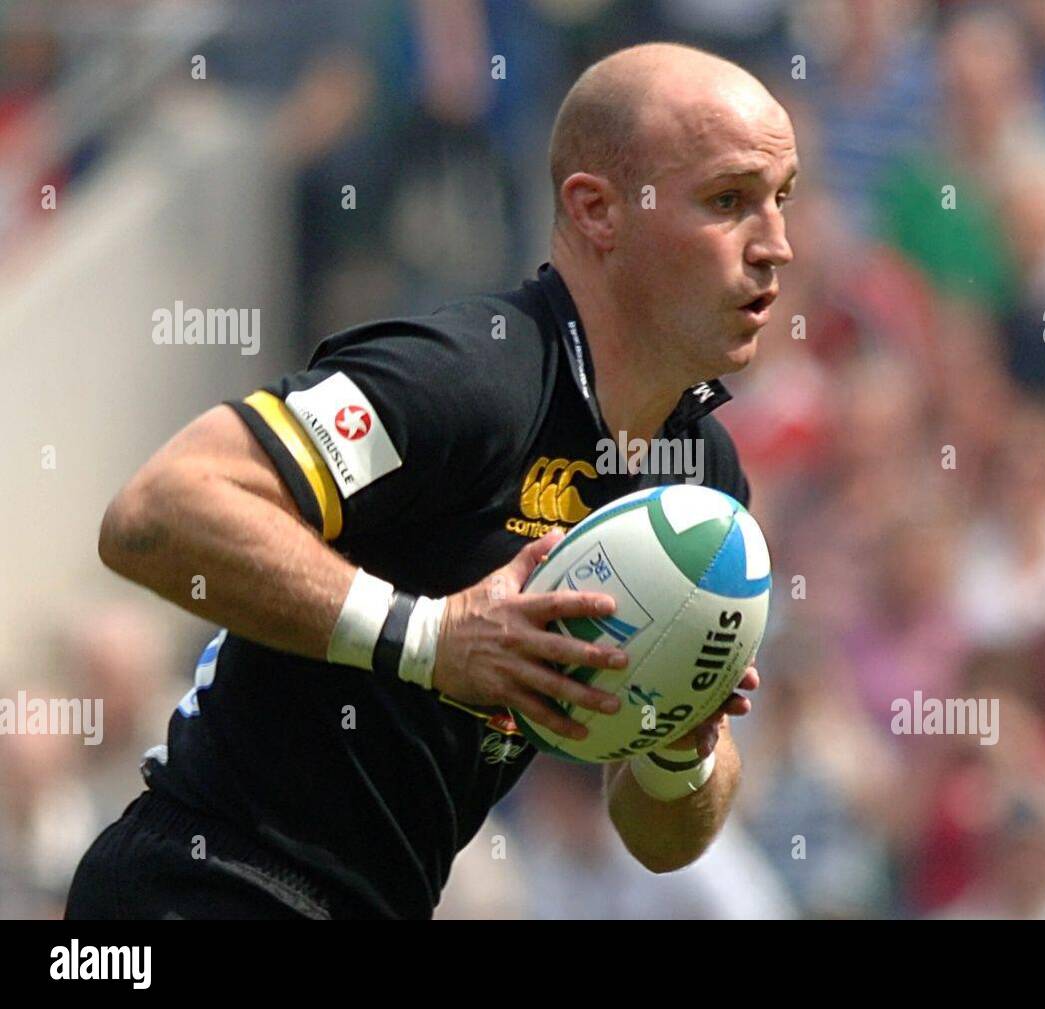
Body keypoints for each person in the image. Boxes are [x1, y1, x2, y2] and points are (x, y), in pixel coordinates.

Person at [65, 41, 797, 920]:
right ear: (598, 211)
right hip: (207, 883)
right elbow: (156, 510)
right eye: (729, 201)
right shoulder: (467, 377)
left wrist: (683, 744)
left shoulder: (702, 485)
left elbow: (658, 838)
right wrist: (431, 637)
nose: (777, 247)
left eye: (781, 199)